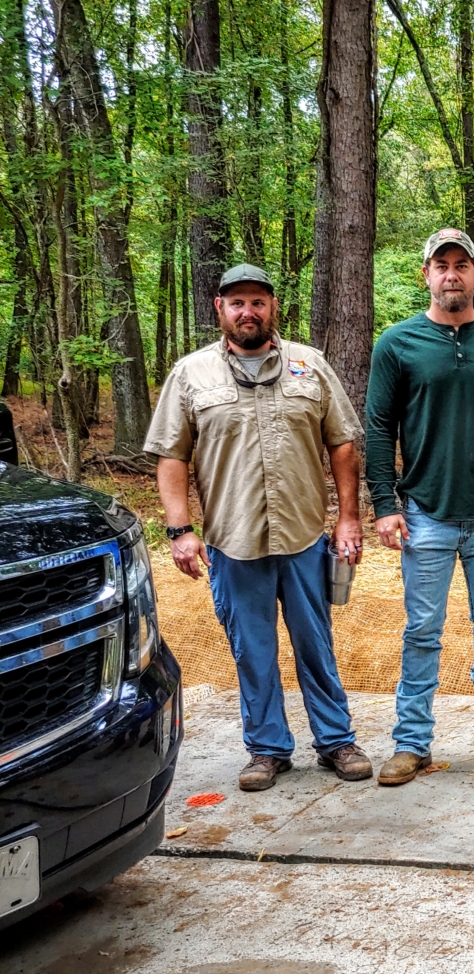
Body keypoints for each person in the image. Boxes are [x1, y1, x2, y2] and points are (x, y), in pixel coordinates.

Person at [145, 263, 370, 791]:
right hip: (233, 541)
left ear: (273, 308)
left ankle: (337, 741)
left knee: (316, 642)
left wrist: (348, 518)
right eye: (237, 302)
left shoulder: (309, 366)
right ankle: (267, 750)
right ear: (219, 309)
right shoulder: (191, 374)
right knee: (253, 649)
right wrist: (180, 530)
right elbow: (171, 456)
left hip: (304, 537)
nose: (249, 311)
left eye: (258, 302)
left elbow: (342, 442)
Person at [365, 228, 474, 786]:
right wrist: (384, 503)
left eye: (461, 265)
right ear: (427, 275)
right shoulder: (397, 344)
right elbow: (377, 427)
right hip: (425, 513)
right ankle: (411, 741)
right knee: (422, 628)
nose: (451, 274)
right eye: (440, 265)